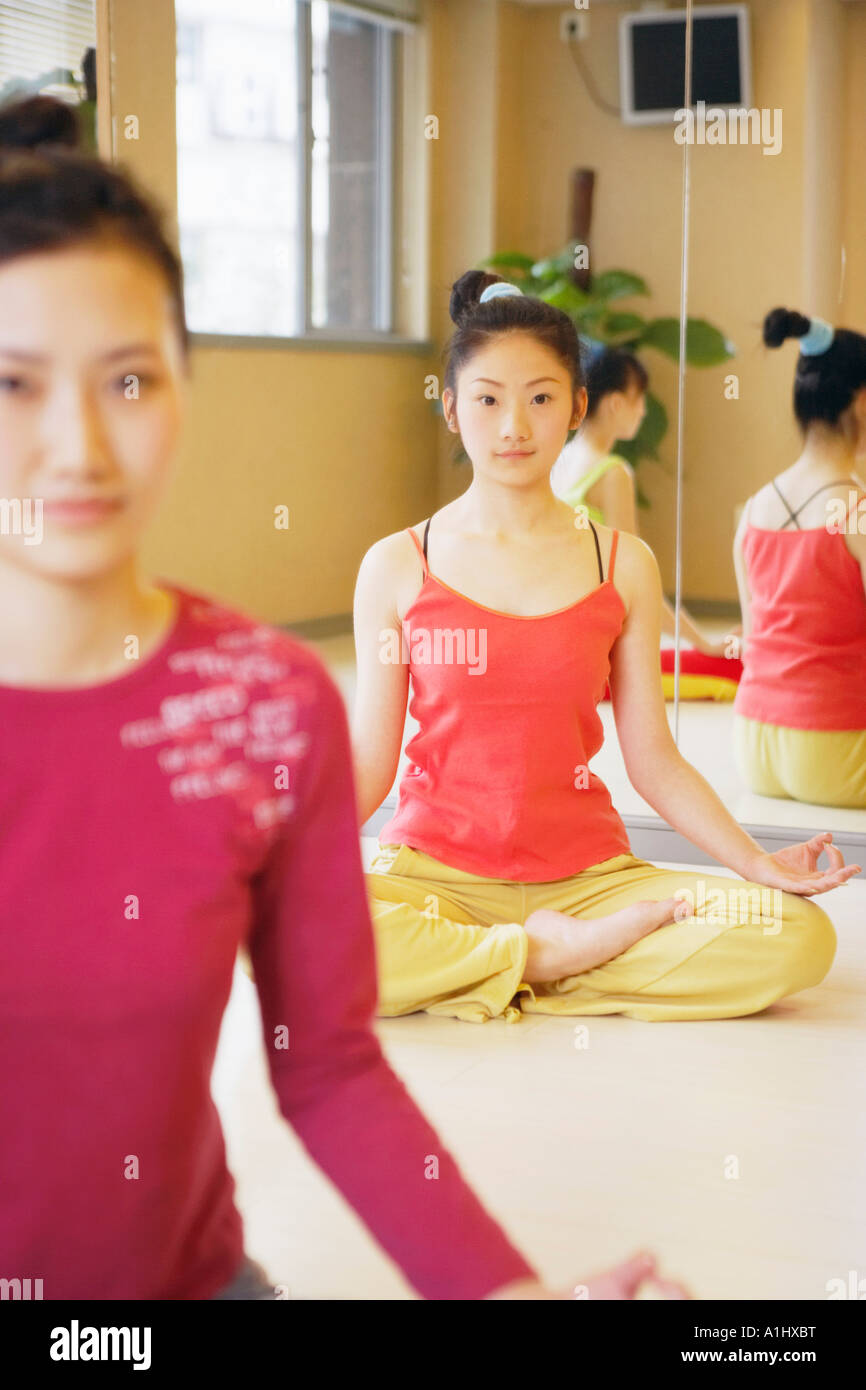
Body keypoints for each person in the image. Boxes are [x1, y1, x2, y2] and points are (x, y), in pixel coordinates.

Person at [0, 95, 687, 1302]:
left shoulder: (263, 703)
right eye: (13, 382)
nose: (77, 446)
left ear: (185, 385)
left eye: (127, 379)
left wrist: (511, 1296)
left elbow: (326, 1068)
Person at [353, 271, 858, 1028]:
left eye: (541, 398)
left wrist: (755, 862)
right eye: (488, 399)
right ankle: (543, 960)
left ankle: (490, 963)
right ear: (452, 409)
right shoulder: (396, 563)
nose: (513, 425)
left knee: (794, 936)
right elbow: (370, 763)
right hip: (436, 878)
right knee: (278, 925)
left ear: (577, 407)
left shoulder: (622, 564)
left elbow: (653, 760)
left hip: (589, 881)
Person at [732, 308, 866, 808]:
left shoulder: (754, 509)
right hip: (834, 748)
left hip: (754, 745)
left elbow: (753, 640)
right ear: (861, 401)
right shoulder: (857, 512)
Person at [551, 344, 735, 659]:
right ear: (615, 403)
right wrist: (704, 643)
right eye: (639, 399)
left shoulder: (559, 458)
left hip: (554, 618)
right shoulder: (612, 473)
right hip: (585, 634)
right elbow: (636, 579)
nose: (643, 411)